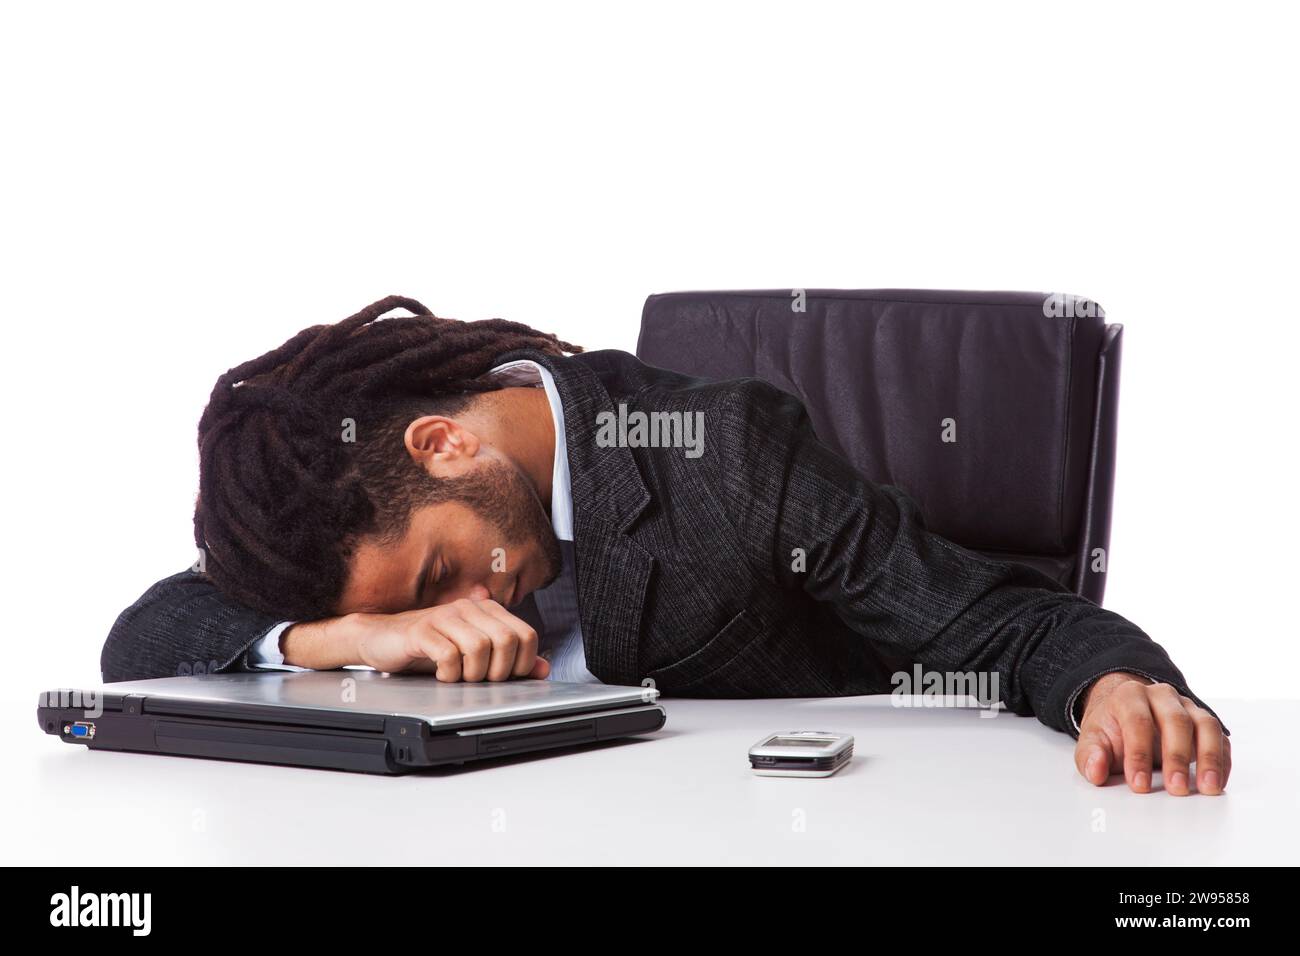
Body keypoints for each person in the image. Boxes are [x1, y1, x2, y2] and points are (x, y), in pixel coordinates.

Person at [102, 295, 1231, 796]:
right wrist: (342, 629)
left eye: (440, 574)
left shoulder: (730, 457)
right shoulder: (351, 521)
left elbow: (999, 619)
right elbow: (144, 637)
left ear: (445, 445)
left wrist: (1115, 684)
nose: (447, 605)